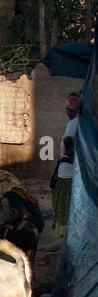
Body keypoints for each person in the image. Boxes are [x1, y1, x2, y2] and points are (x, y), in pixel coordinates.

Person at [52, 94, 81, 240]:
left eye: (68, 110)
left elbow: (68, 139)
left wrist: (69, 153)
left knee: (62, 199)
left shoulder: (73, 123)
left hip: (68, 169)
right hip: (73, 168)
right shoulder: (82, 123)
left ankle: (63, 233)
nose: (67, 113)